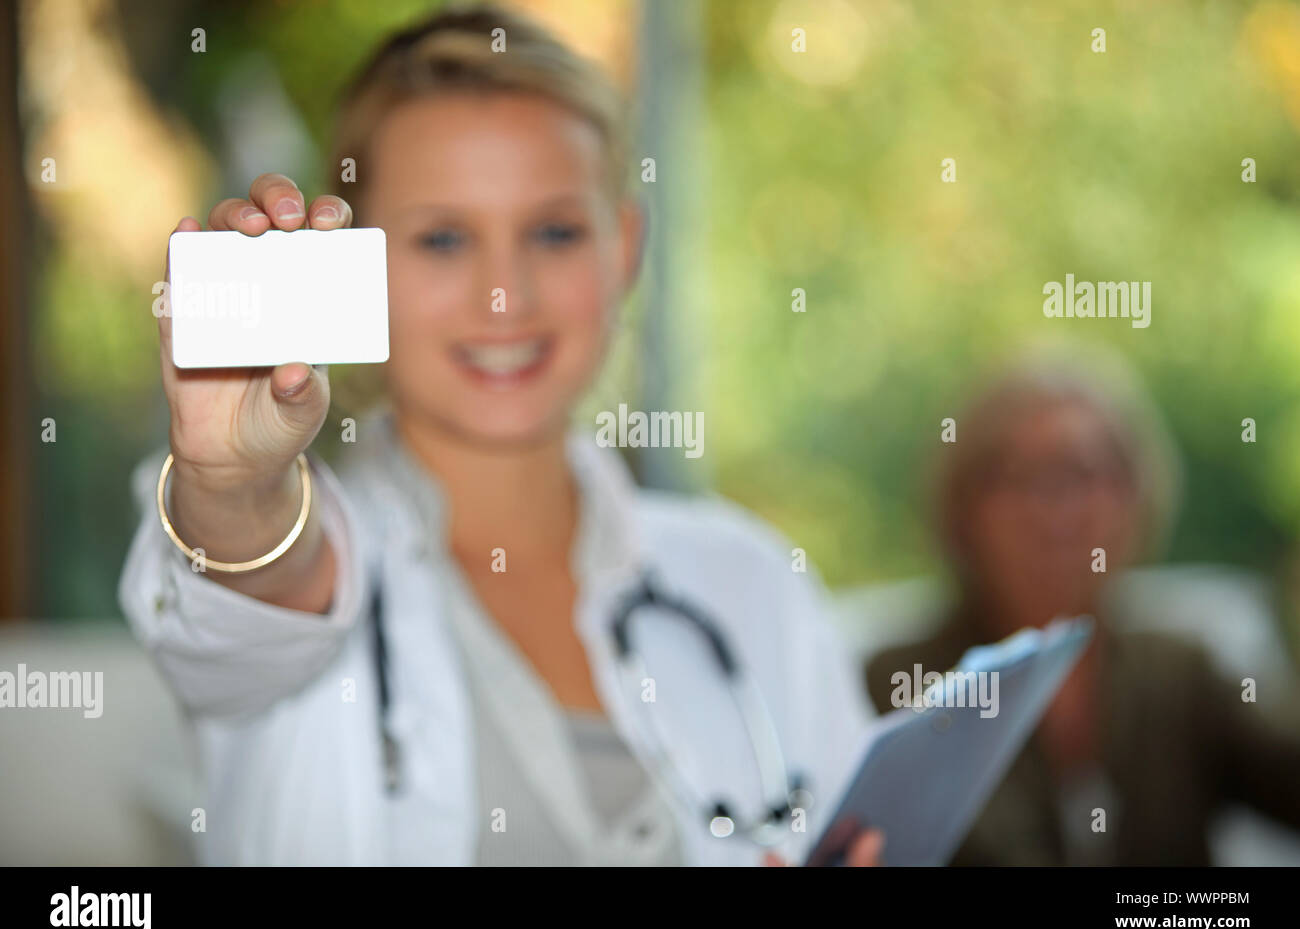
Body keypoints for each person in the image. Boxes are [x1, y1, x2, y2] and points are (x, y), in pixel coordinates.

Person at [118, 4, 876, 866]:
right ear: (350, 270)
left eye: (553, 231)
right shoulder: (302, 555)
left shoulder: (755, 586)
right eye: (443, 238)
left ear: (623, 247)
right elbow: (252, 587)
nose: (506, 294)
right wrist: (232, 483)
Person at [864, 350, 1300, 865]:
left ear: (1137, 495)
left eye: (1085, 473)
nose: (1056, 512)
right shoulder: (902, 684)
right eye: (1020, 476)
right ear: (962, 505)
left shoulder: (1181, 674)